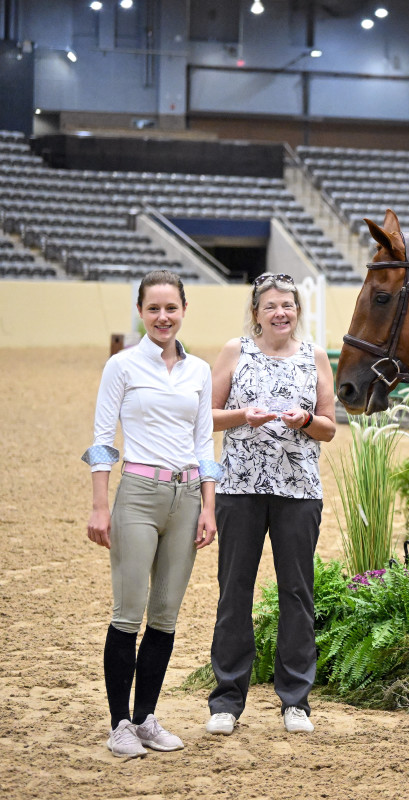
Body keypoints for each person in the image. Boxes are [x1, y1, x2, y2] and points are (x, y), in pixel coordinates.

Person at [83, 270, 220, 758]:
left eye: (171, 308)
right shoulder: (121, 365)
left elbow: (204, 442)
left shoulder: (199, 370)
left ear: (184, 310)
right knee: (128, 611)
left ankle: (144, 718)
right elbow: (103, 439)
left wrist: (209, 506)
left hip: (187, 498)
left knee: (165, 614)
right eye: (154, 309)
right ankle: (118, 724)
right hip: (138, 495)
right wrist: (101, 505)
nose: (163, 317)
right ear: (140, 312)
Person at [205, 273, 336, 736]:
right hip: (239, 487)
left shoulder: (315, 355)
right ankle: (226, 701)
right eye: (271, 306)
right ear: (256, 312)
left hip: (299, 491)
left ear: (297, 310)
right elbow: (207, 417)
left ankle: (295, 701)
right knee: (234, 591)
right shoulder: (235, 351)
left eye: (288, 305)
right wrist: (244, 415)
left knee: (297, 593)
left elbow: (329, 426)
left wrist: (306, 420)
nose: (281, 313)